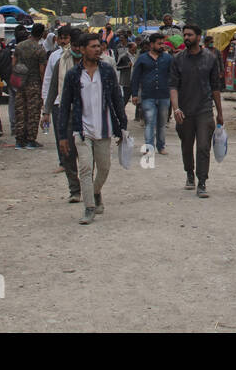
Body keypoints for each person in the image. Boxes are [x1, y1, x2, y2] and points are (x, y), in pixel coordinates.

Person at [56, 33, 127, 224]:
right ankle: (89, 208)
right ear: (82, 49)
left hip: (104, 129)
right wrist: (62, 135)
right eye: (93, 46)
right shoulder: (73, 75)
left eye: (99, 46)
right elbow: (65, 106)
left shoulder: (106, 71)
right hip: (81, 129)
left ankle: (96, 192)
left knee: (104, 168)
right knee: (86, 169)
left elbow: (116, 99)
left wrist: (123, 126)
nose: (98, 49)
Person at [169, 24, 224, 197]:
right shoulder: (177, 59)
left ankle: (202, 182)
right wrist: (176, 109)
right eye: (185, 35)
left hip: (204, 109)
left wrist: (220, 113)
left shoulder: (210, 58)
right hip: (184, 111)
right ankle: (189, 174)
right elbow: (173, 87)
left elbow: (215, 87)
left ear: (199, 37)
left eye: (190, 35)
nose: (186, 38)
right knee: (186, 146)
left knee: (203, 146)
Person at [43, 26, 82, 201]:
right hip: (64, 110)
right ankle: (74, 189)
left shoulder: (97, 64)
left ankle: (90, 189)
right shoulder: (60, 61)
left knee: (88, 154)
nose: (75, 49)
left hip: (88, 114)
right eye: (73, 45)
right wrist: (46, 110)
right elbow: (52, 86)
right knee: (67, 151)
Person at [131, 33, 173, 155]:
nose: (162, 46)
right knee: (150, 122)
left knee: (162, 123)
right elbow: (135, 77)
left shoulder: (168, 59)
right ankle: (149, 147)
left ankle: (161, 146)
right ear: (151, 44)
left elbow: (174, 75)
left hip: (164, 95)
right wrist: (134, 94)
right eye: (159, 43)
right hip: (148, 96)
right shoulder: (142, 59)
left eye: (163, 43)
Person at [11, 24, 48, 150]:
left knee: (20, 111)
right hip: (34, 84)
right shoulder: (40, 49)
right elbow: (42, 71)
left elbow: (14, 63)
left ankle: (19, 140)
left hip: (20, 83)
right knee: (33, 112)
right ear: (42, 34)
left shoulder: (19, 46)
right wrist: (43, 87)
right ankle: (30, 140)